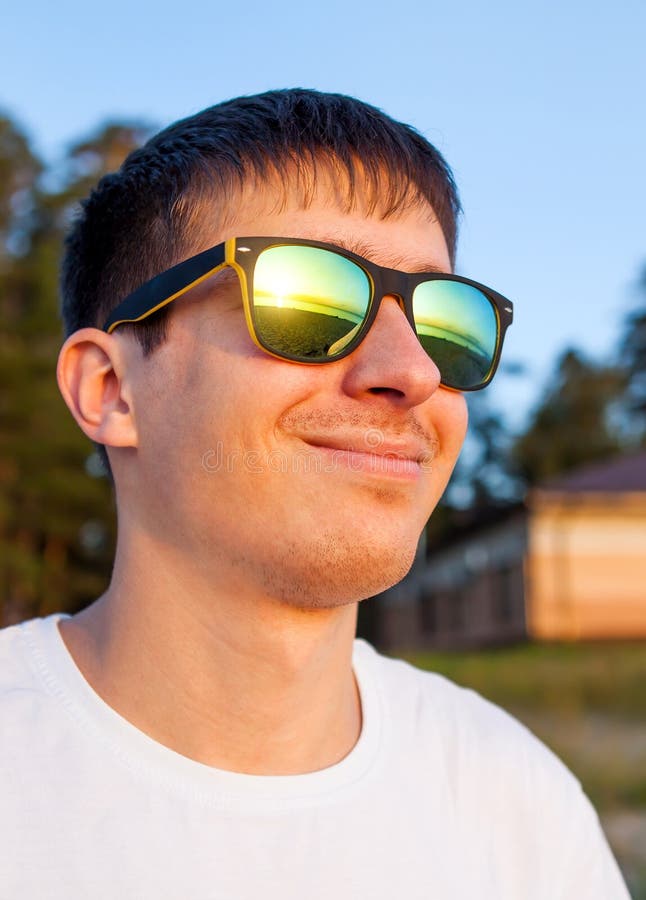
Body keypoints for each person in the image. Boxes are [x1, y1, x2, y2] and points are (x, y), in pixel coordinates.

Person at [0, 89, 630, 899]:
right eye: (307, 301)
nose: (411, 371)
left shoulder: (519, 807)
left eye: (444, 322)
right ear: (112, 389)